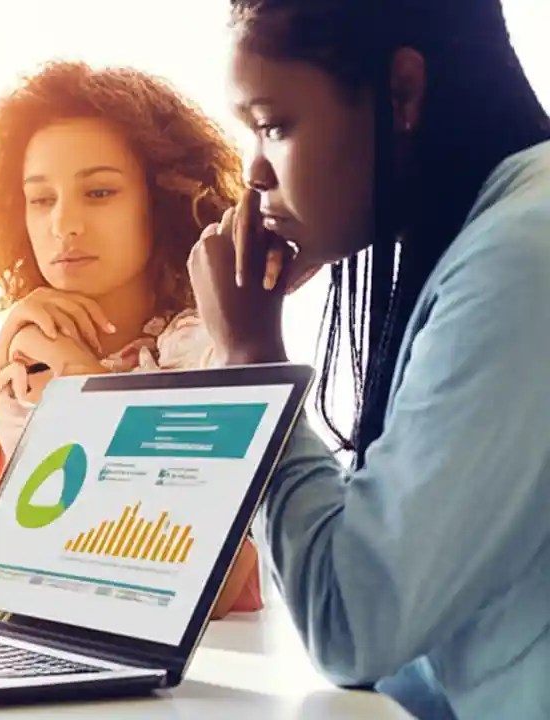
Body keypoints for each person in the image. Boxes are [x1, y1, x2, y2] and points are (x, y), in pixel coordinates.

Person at [189, 0, 550, 716]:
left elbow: (354, 626)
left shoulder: (519, 256)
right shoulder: (500, 228)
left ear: (402, 93)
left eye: (273, 124)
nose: (253, 174)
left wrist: (252, 361)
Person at [0, 61, 264, 618]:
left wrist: (85, 384)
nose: (64, 225)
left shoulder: (211, 351)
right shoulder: (18, 366)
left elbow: (209, 582)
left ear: (160, 201)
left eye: (99, 192)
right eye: (41, 199)